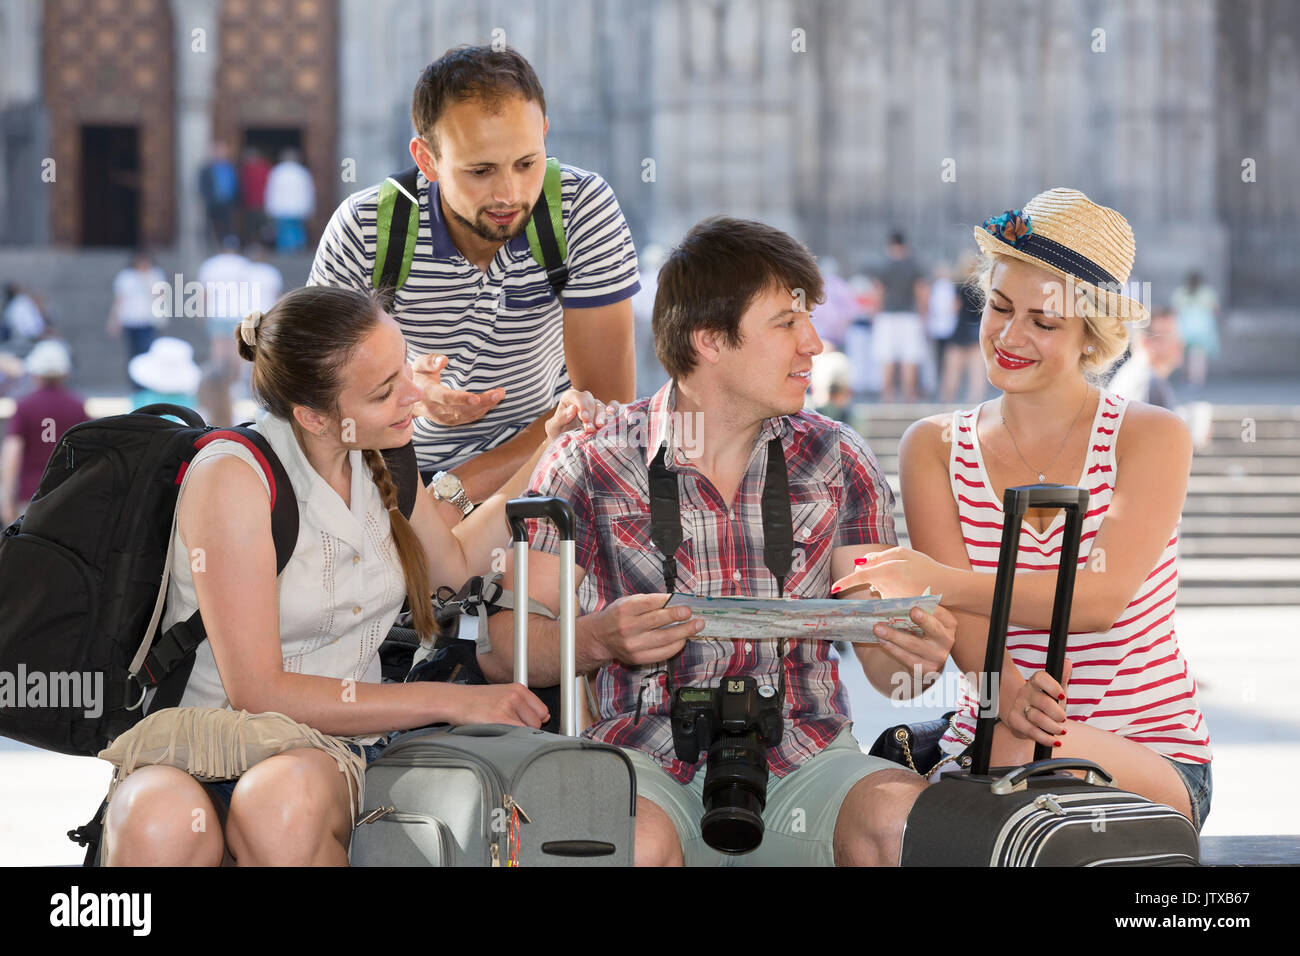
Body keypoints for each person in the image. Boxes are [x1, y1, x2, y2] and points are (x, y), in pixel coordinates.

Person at [482, 217, 958, 867]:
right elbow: (501, 651)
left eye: (808, 320)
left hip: (808, 757)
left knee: (908, 827)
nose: (815, 343)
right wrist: (598, 641)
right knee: (628, 847)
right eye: (786, 323)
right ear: (709, 340)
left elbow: (889, 672)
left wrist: (919, 657)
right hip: (646, 759)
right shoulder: (588, 463)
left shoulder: (837, 457)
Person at [102, 285, 609, 866]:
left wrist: (548, 450)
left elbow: (458, 568)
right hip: (204, 735)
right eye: (385, 390)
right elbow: (258, 692)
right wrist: (454, 701)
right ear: (313, 416)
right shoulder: (234, 476)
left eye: (403, 369)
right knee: (156, 821)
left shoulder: (381, 458)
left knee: (279, 805)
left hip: (319, 750)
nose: (415, 397)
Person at [834, 189, 1212, 831]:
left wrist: (930, 579)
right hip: (991, 738)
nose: (1010, 336)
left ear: (1092, 336)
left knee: (1009, 764)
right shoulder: (933, 445)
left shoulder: (1151, 435)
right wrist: (1007, 695)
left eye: (1044, 322)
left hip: (1148, 753)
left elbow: (1098, 599)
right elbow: (971, 640)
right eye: (1001, 308)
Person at [308, 44, 638, 525]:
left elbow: (605, 409)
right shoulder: (366, 230)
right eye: (480, 171)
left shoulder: (579, 208)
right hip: (392, 486)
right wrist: (408, 396)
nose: (509, 194)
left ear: (544, 135)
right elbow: (318, 407)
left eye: (527, 163)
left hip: (546, 472)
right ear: (427, 160)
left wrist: (453, 496)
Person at [0, 340, 88, 524]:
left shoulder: (24, 407)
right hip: (67, 496)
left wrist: (6, 498)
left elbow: (12, 454)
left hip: (30, 498)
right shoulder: (77, 407)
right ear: (65, 372)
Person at [871, 233, 928, 402]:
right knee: (909, 358)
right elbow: (921, 292)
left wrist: (876, 313)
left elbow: (878, 292)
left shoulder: (884, 265)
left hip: (887, 316)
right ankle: (908, 395)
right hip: (909, 316)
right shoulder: (914, 265)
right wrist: (923, 314)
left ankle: (887, 396)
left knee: (886, 358)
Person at [107, 250, 167, 374]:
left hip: (147, 320)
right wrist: (114, 320)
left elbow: (159, 297)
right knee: (133, 352)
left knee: (147, 351)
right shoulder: (126, 276)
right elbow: (119, 300)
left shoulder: (156, 275)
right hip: (130, 320)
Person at [1171, 271, 1219, 390]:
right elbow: (1215, 310)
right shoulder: (1207, 293)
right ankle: (1196, 381)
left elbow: (1174, 311)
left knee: (1183, 356)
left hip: (1184, 326)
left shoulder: (1180, 292)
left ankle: (1186, 379)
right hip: (1203, 327)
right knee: (1198, 357)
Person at [264, 148, 315, 253]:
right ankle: (297, 250)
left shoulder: (277, 171)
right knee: (297, 230)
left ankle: (285, 252)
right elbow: (309, 192)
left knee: (283, 232)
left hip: (281, 208)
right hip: (299, 207)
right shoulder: (303, 172)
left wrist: (269, 207)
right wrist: (310, 208)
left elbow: (271, 191)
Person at [198, 141, 239, 247]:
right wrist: (207, 198)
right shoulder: (207, 168)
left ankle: (226, 246)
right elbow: (202, 185)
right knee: (211, 225)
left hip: (227, 201)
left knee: (227, 225)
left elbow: (235, 183)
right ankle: (210, 245)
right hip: (213, 201)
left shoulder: (230, 167)